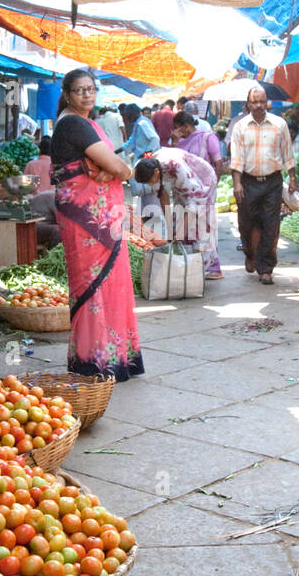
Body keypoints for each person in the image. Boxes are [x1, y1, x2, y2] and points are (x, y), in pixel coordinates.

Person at [50, 69, 143, 381]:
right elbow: (120, 167)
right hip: (85, 219)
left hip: (94, 217)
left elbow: (107, 166)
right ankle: (93, 361)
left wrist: (108, 171)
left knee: (106, 284)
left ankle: (111, 357)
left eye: (91, 89)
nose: (87, 95)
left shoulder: (78, 121)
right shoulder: (74, 123)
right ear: (67, 94)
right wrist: (118, 171)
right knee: (92, 287)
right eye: (79, 90)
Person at [228, 86, 296, 284]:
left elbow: (287, 153)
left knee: (270, 224)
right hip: (248, 182)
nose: (259, 106)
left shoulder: (279, 124)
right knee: (246, 224)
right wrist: (237, 184)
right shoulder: (240, 127)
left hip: (273, 181)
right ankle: (250, 253)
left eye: (262, 101)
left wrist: (292, 178)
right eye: (254, 102)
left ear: (268, 102)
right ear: (248, 104)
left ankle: (265, 268)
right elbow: (237, 159)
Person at [135, 149, 223, 280]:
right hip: (182, 185)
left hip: (202, 182)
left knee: (200, 224)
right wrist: (171, 227)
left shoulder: (176, 166)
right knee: (180, 218)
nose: (150, 184)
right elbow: (162, 195)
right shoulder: (150, 166)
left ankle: (209, 268)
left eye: (149, 181)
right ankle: (188, 262)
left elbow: (193, 205)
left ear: (156, 172)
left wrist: (180, 231)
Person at [173, 106, 225, 178]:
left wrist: (215, 184)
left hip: (205, 183)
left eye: (176, 128)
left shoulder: (207, 138)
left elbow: (218, 162)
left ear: (185, 126)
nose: (174, 131)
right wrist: (175, 142)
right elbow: (174, 162)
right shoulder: (179, 141)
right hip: (186, 183)